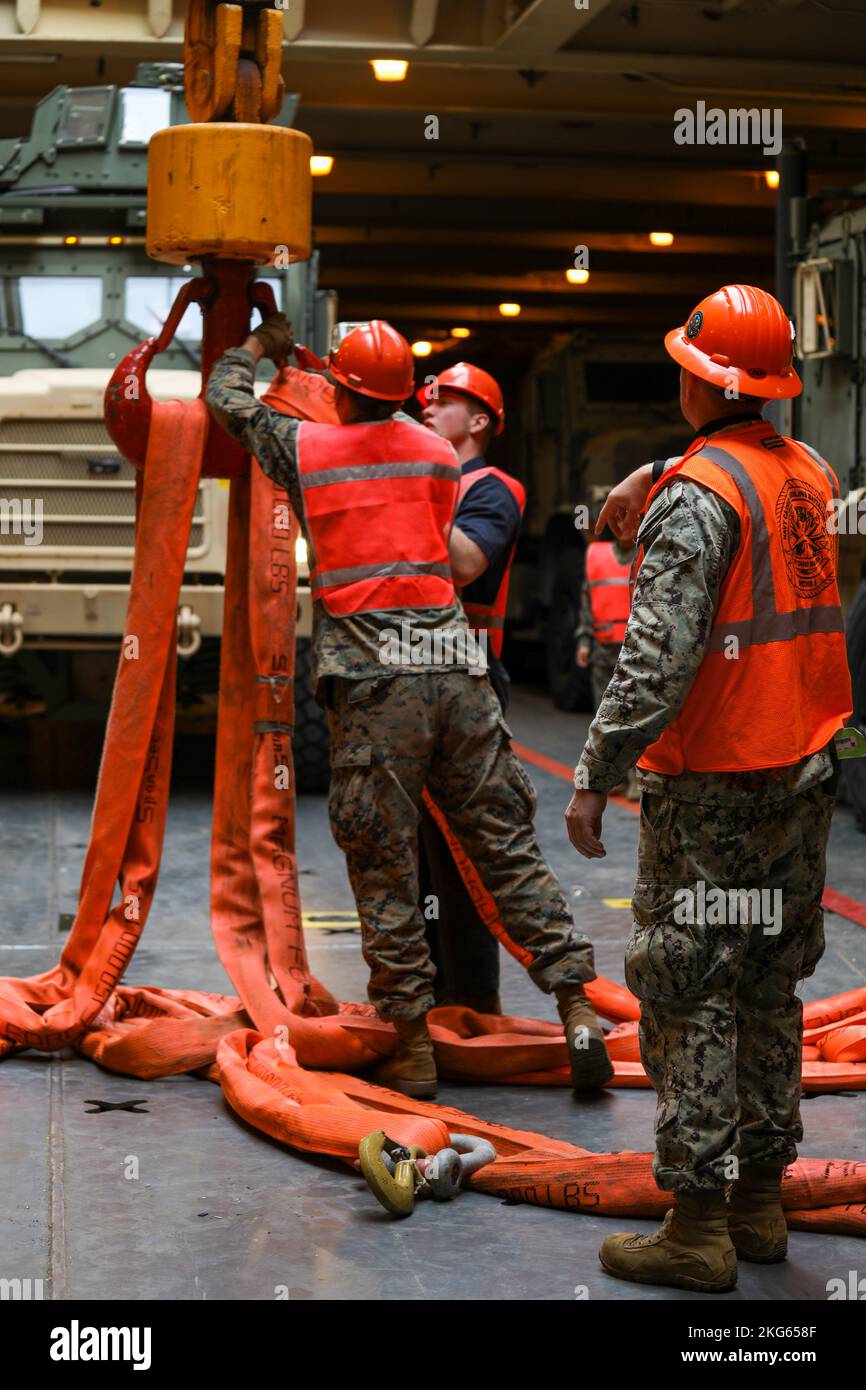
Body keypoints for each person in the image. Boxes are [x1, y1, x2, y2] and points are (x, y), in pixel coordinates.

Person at [206, 314, 613, 1098]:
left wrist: (262, 346)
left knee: (383, 863)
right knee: (507, 852)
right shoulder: (435, 454)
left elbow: (229, 401)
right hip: (456, 674)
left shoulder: (309, 448)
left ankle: (414, 1045)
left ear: (342, 392)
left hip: (374, 682)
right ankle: (574, 1007)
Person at [564, 284, 853, 1292]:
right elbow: (752, 488)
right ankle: (759, 1200)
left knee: (690, 987)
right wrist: (658, 472)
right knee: (769, 979)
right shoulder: (805, 472)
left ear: (694, 377)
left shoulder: (695, 497)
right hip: (801, 774)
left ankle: (695, 1223)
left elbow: (653, 665)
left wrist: (594, 773)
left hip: (713, 789)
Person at [416, 363, 524, 1014]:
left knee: (466, 857)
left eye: (446, 401)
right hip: (411, 683)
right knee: (418, 856)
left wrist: (411, 490)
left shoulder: (492, 490)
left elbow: (464, 563)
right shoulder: (431, 480)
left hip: (473, 683)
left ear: (479, 421)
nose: (429, 407)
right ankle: (432, 997)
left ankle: (476, 1003)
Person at [575, 525, 637, 799]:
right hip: (603, 649)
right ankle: (616, 778)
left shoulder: (647, 553)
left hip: (635, 649)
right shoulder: (596, 555)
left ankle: (637, 779)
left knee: (634, 716)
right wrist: (584, 642)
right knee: (605, 717)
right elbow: (586, 605)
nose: (625, 527)